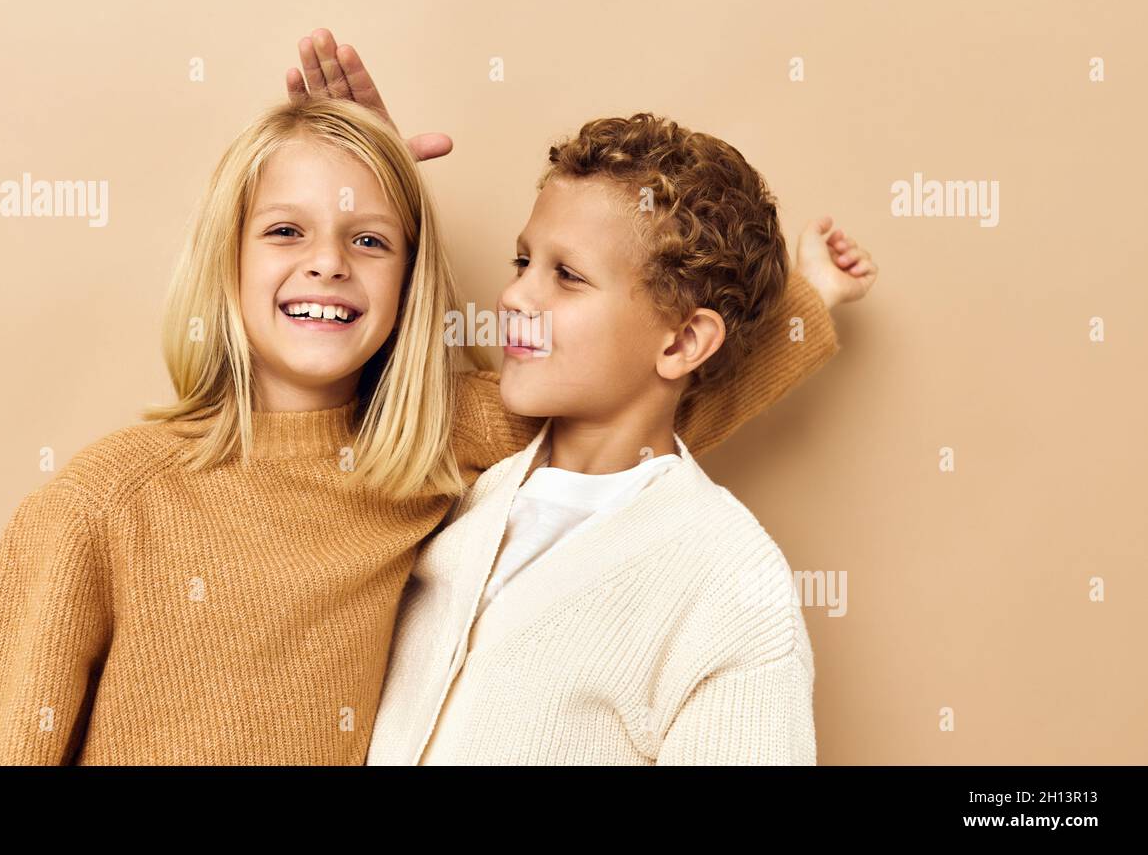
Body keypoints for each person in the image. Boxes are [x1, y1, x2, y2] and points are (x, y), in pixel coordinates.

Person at [0, 74, 848, 763]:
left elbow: (635, 408)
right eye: (285, 231)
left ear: (411, 279)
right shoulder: (102, 505)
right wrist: (359, 182)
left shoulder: (430, 451)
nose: (328, 264)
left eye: (368, 242)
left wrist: (804, 305)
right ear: (224, 255)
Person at [366, 110, 877, 764]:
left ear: (685, 340)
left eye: (567, 276)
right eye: (523, 261)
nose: (516, 294)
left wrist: (812, 296)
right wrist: (367, 181)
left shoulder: (729, 585)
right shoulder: (462, 499)